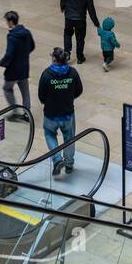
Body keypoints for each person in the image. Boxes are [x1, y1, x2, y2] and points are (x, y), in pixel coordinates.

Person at [37, 47, 82, 177]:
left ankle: (57, 160)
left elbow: (41, 95)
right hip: (68, 113)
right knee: (69, 138)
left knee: (50, 135)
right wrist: (68, 97)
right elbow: (79, 90)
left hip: (51, 114)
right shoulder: (72, 73)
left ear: (54, 59)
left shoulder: (46, 74)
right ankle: (68, 164)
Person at [0, 11, 34, 119]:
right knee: (25, 91)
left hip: (13, 70)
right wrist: (23, 55)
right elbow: (32, 46)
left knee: (7, 88)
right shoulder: (27, 32)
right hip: (24, 67)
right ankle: (27, 115)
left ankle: (15, 112)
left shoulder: (12, 37)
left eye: (6, 21)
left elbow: (9, 54)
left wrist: (3, 62)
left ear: (10, 22)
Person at [60, 0, 100, 64]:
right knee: (80, 38)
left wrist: (62, 7)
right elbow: (91, 10)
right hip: (80, 20)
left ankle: (67, 54)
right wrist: (96, 23)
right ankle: (80, 57)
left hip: (69, 17)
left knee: (67, 34)